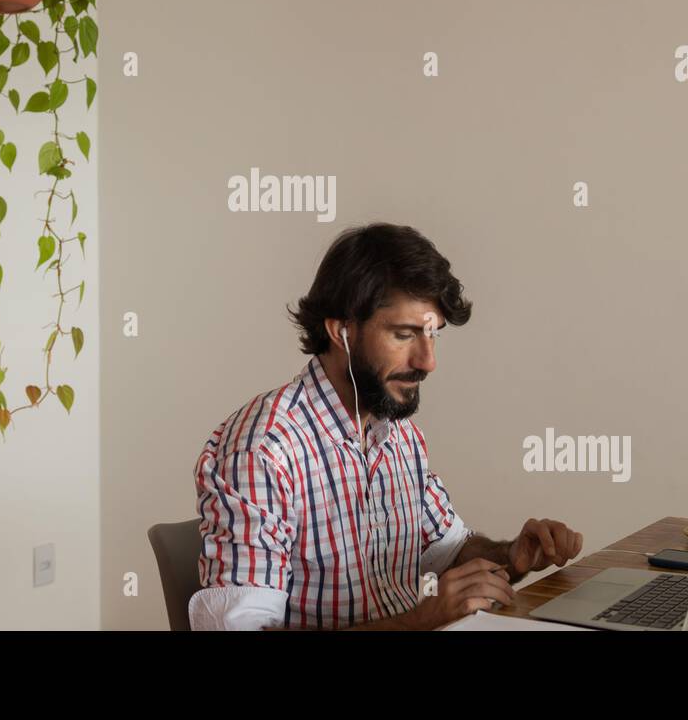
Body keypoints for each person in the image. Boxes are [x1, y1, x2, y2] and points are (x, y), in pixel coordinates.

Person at [189, 222, 583, 630]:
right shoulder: (264, 450)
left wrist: (511, 556)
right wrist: (421, 620)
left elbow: (448, 552)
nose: (428, 361)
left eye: (432, 336)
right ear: (340, 331)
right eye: (404, 334)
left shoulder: (398, 435)